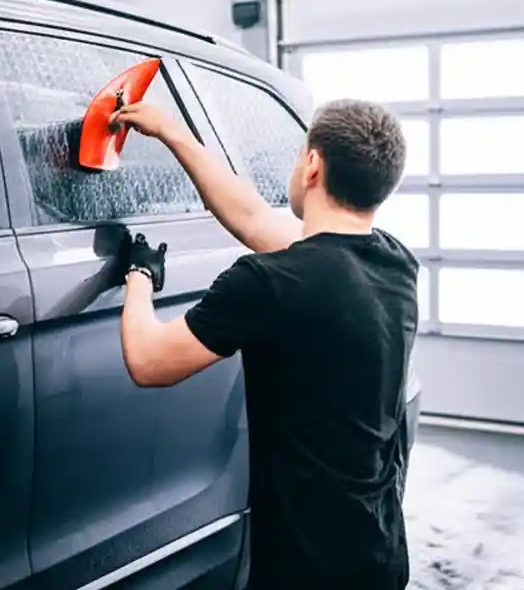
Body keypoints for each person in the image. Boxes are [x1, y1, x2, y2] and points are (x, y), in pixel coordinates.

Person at [112, 98, 417, 589]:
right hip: (379, 551)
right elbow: (252, 217)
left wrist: (139, 274)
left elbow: (149, 361)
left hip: (306, 568)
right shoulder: (395, 262)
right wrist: (172, 133)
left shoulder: (268, 282)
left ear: (312, 164)